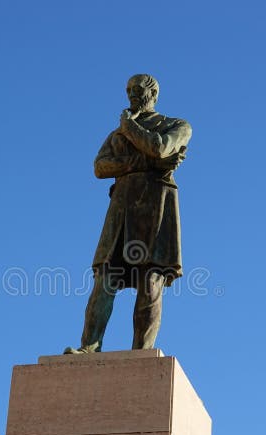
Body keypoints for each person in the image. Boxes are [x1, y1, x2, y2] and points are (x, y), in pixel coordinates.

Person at [65, 74, 192, 353]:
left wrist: (130, 127)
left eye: (138, 89)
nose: (132, 94)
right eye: (128, 90)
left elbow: (160, 147)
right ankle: (89, 347)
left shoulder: (176, 125)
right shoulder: (117, 135)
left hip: (157, 206)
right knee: (105, 279)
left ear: (153, 93)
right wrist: (146, 161)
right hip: (121, 208)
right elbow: (101, 167)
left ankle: (142, 353)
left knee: (151, 280)